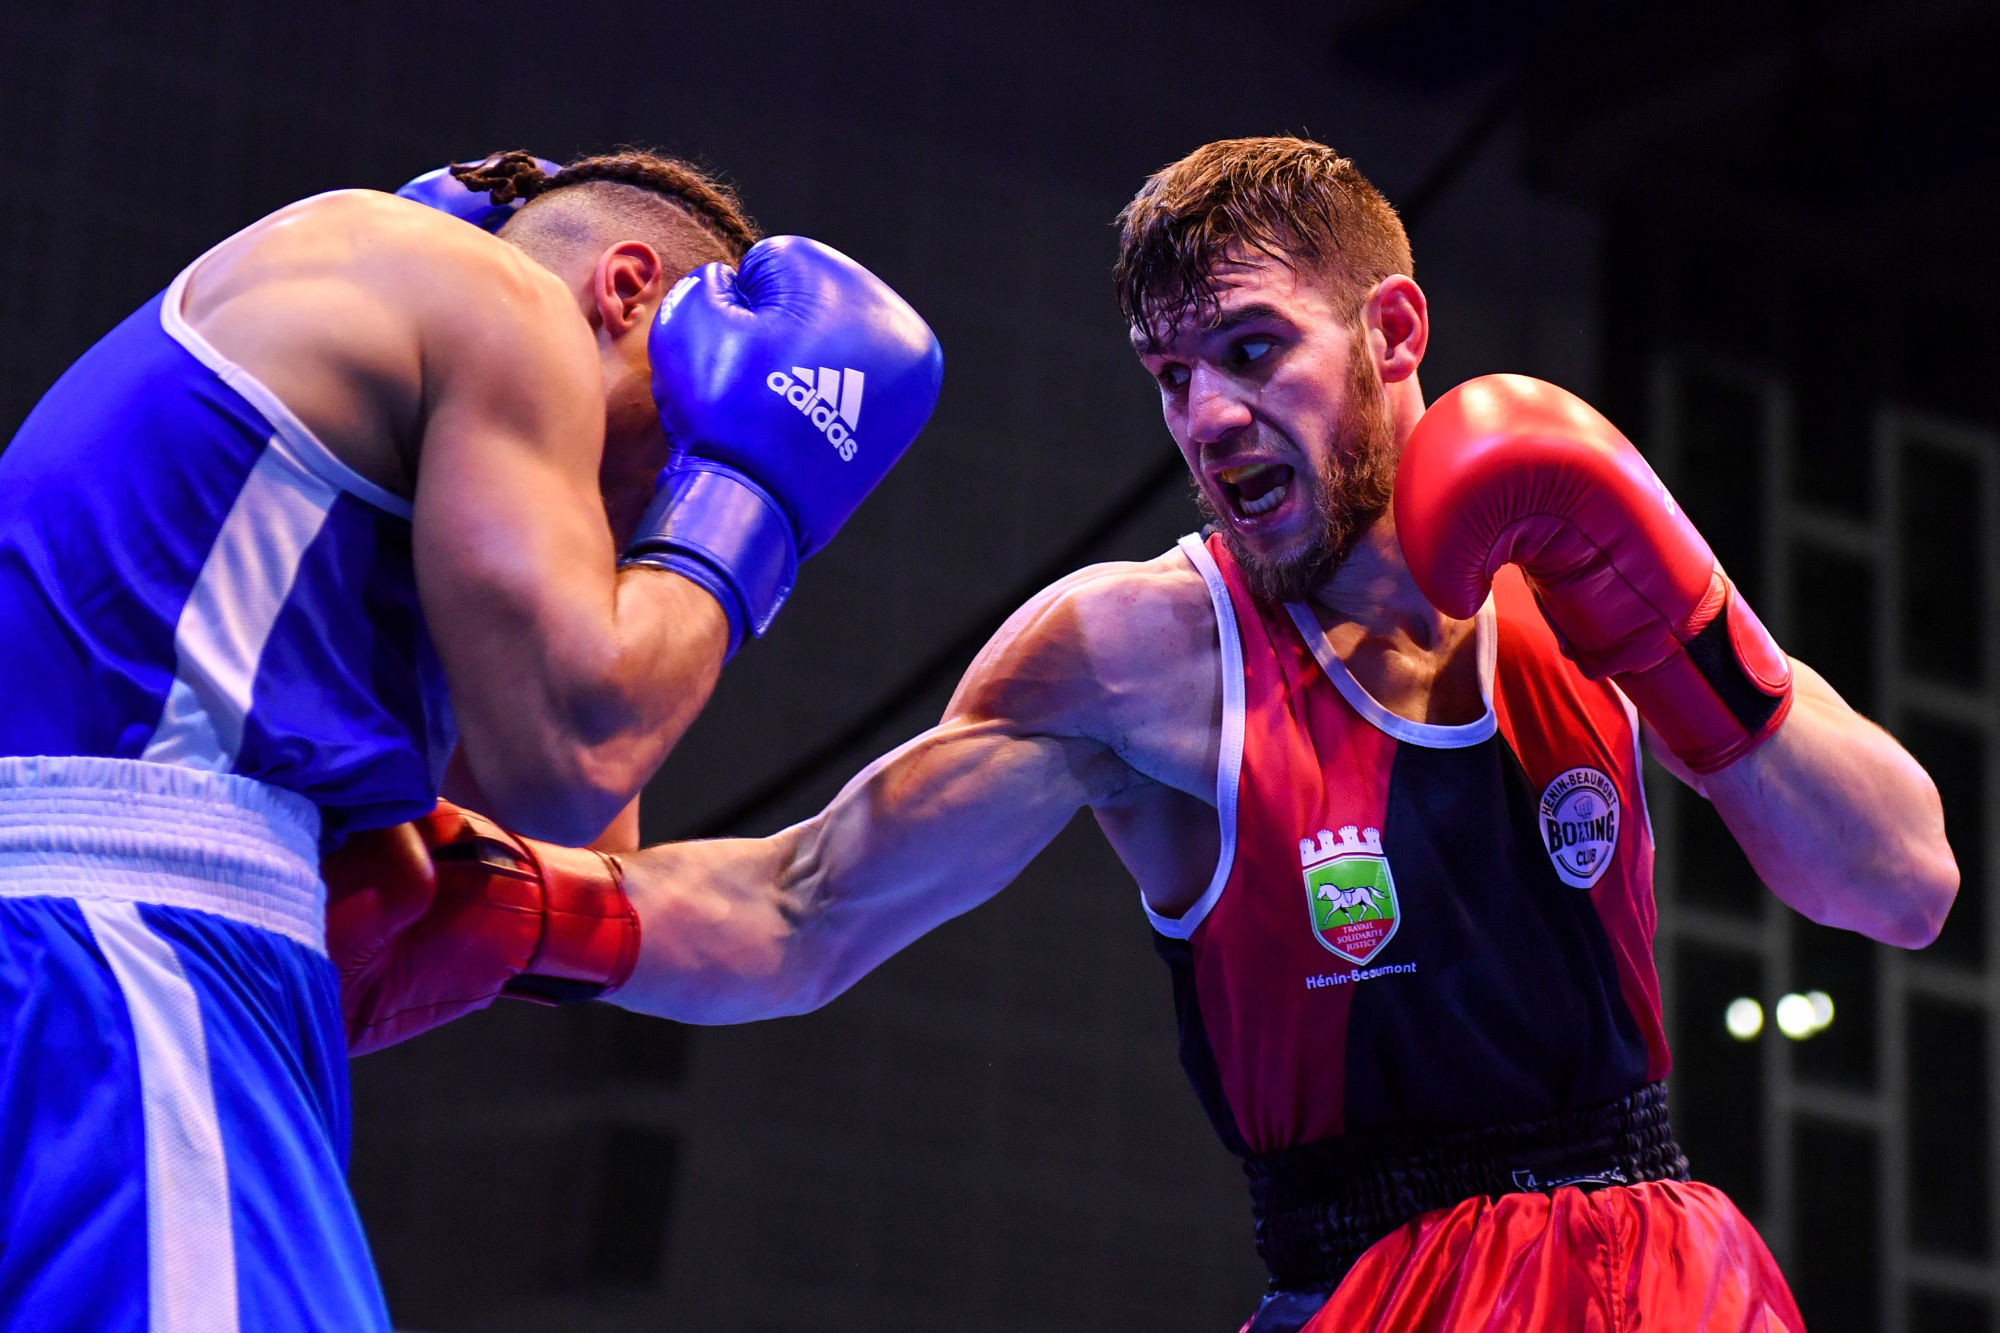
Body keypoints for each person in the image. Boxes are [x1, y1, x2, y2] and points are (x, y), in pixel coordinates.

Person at [331, 138, 1957, 1330]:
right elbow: (800, 905)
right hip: (1364, 1285)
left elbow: (1898, 881)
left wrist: (1680, 617)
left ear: (1393, 333)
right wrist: (519, 904)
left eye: (1253, 352)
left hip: (1669, 1271)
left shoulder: (1567, 558)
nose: (1208, 419)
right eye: (1170, 376)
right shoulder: (1140, 651)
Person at [0, 146, 942, 1330]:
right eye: (659, 457)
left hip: (111, 962)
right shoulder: (497, 299)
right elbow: (578, 749)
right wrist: (751, 487)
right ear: (627, 288)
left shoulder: (350, 411)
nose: (635, 501)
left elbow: (585, 829)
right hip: (121, 949)